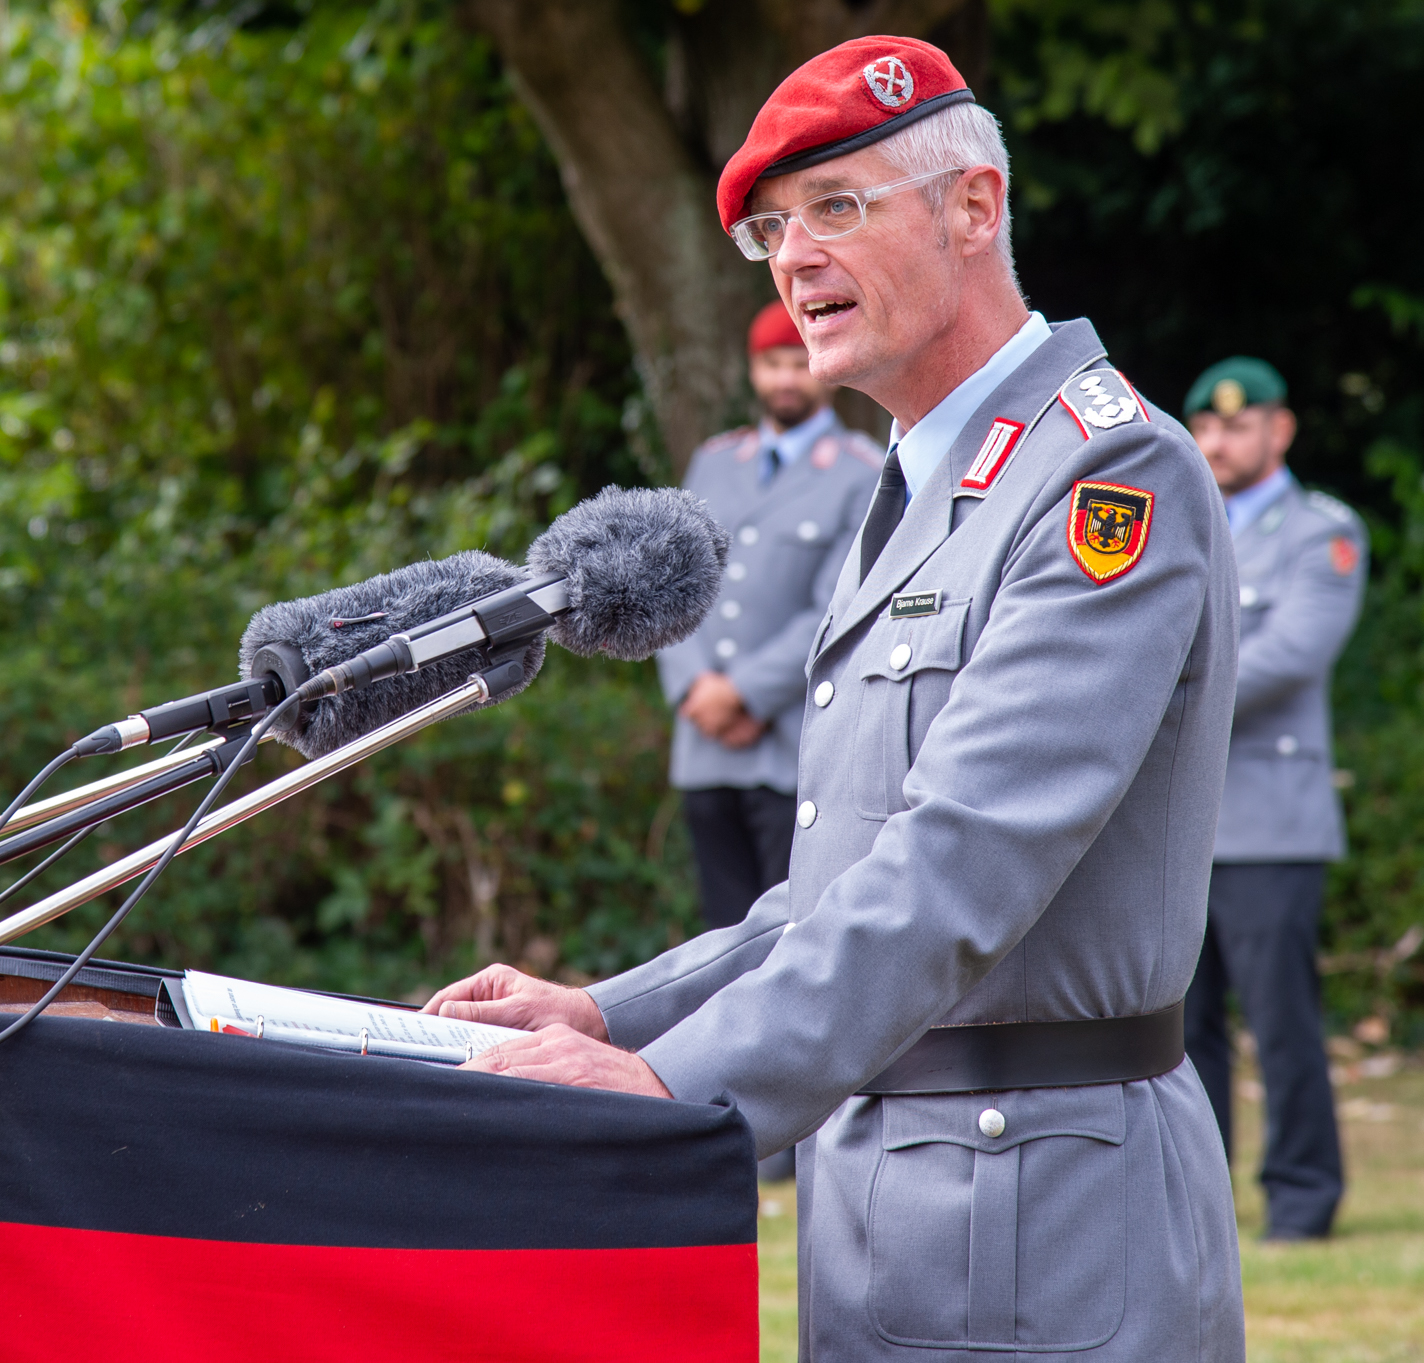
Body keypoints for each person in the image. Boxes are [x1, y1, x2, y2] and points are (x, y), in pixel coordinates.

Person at [427, 36, 1245, 1361]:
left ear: (974, 207)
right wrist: (610, 1011)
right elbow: (836, 887)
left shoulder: (1107, 483)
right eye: (770, 229)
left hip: (1045, 1217)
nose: (795, 255)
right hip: (882, 1204)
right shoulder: (923, 485)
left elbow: (955, 863)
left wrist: (667, 1080)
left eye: (838, 206)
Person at [1182, 357, 1363, 1241]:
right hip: (1181, 826)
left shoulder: (1321, 531)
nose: (1220, 440)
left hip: (1271, 822)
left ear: (1279, 431)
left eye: (1239, 424)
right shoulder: (1181, 520)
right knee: (1180, 1033)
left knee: (1282, 1024)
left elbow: (1294, 651)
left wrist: (1162, 690)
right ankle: (1198, 1199)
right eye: (1207, 427)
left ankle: (1301, 1197)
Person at [662, 301, 883, 936]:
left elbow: (836, 609)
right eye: (771, 365)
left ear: (822, 370)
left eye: (797, 363)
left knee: (790, 935)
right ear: (752, 371)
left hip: (791, 745)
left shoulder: (859, 473)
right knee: (716, 935)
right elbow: (671, 583)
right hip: (702, 743)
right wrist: (696, 690)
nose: (786, 379)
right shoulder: (714, 462)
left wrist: (744, 695)